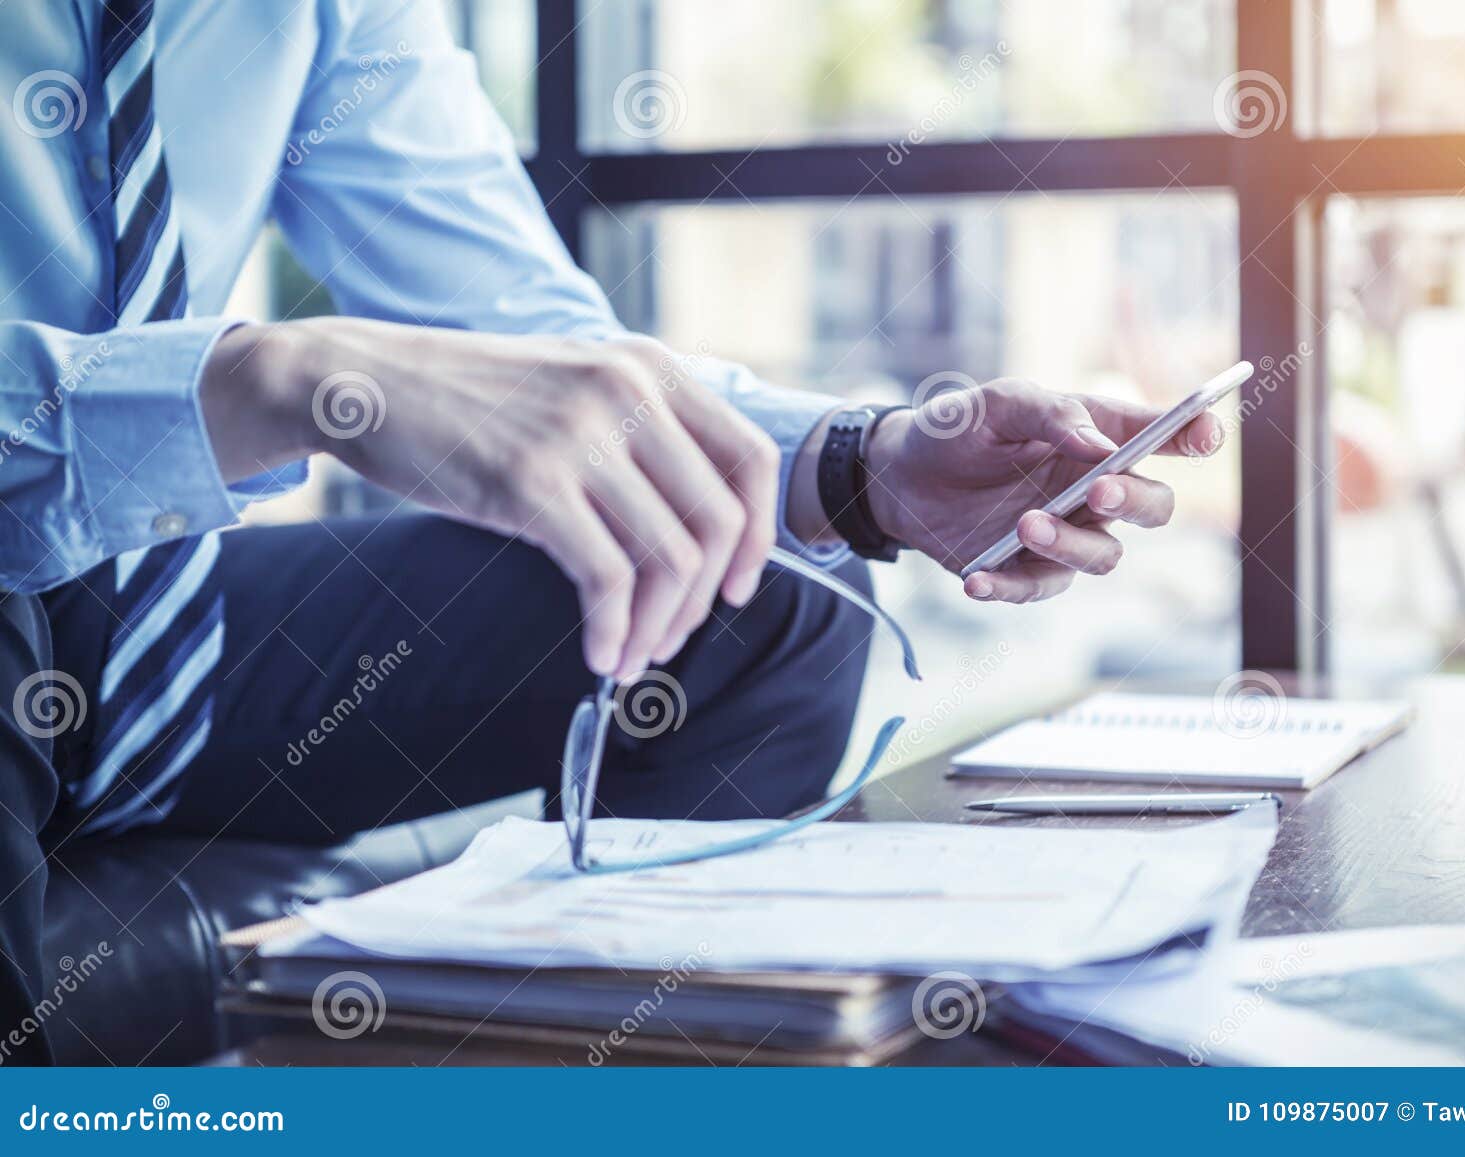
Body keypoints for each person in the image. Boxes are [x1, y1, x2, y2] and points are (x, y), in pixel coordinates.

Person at [0, 0, 1222, 1063]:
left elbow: (526, 332)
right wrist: (267, 379)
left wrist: (861, 468)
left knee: (750, 599)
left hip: (143, 631)